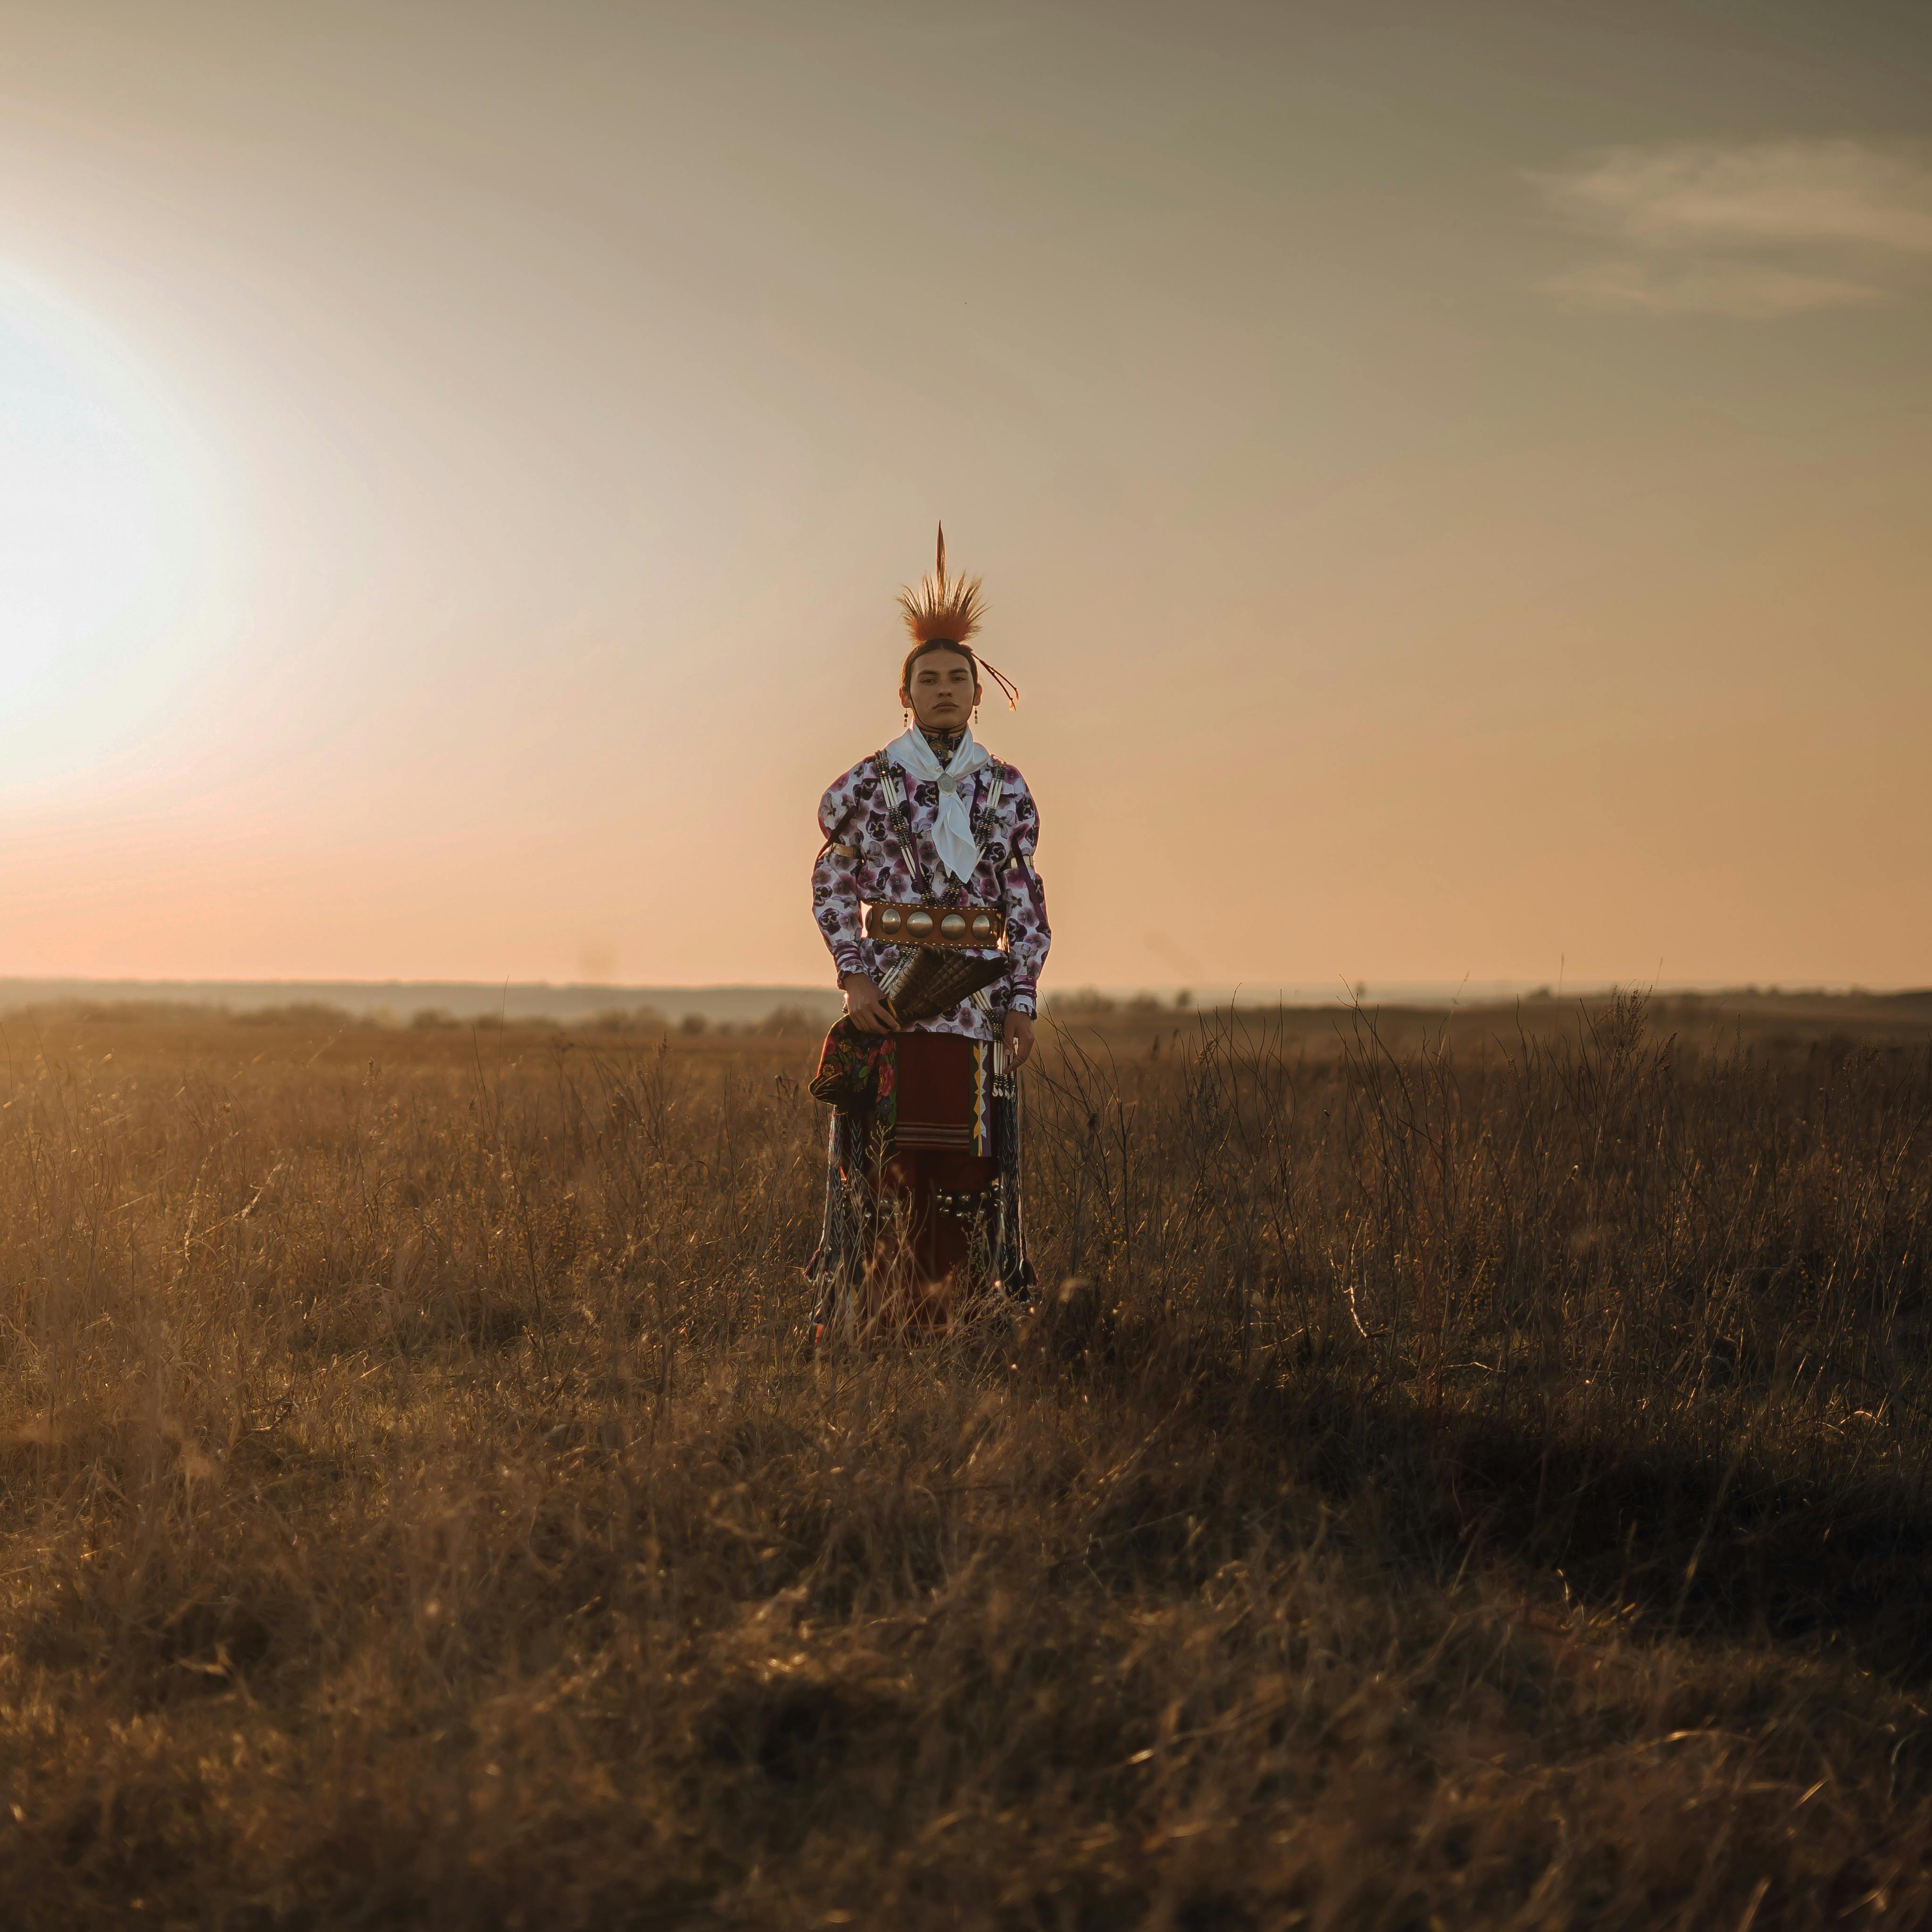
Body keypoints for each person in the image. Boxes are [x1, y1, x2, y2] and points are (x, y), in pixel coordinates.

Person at [806, 527, 1049, 1336]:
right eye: (929, 680)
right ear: (904, 695)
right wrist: (855, 974)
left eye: (958, 679)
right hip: (893, 1004)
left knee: (970, 1173)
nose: (945, 690)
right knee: (887, 1169)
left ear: (978, 694)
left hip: (975, 1010)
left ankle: (965, 1323)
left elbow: (1023, 901)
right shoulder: (872, 784)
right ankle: (875, 1323)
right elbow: (834, 875)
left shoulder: (1004, 790)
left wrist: (1021, 999)